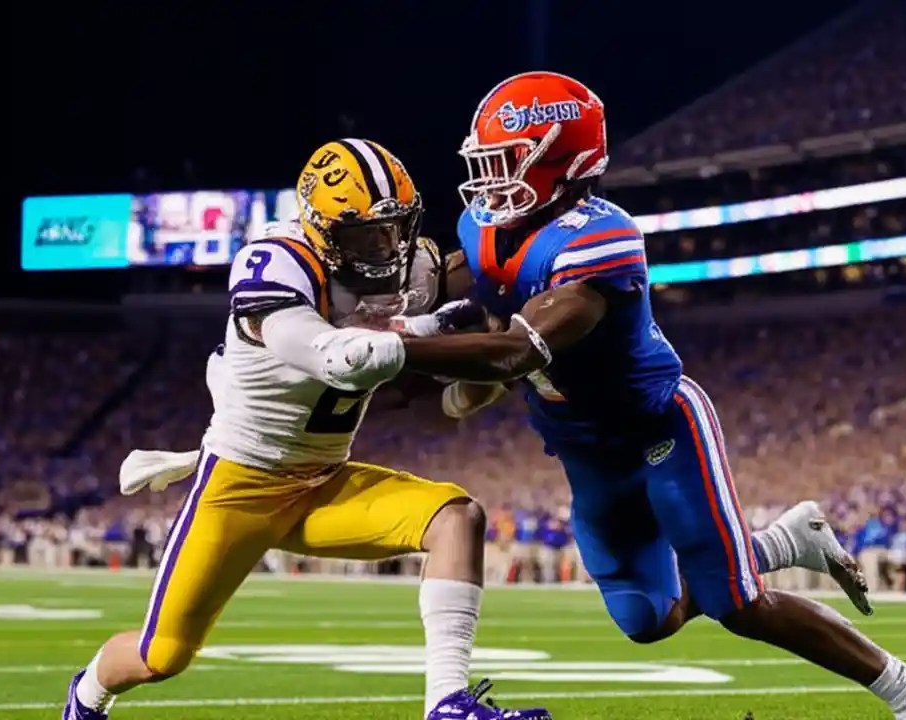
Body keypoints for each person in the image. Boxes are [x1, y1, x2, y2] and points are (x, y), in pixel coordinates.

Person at [323, 71, 906, 719]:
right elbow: (473, 290)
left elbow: (520, 345)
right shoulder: (485, 224)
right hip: (582, 449)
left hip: (660, 430)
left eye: (507, 161)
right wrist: (385, 306)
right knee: (648, 620)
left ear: (565, 163)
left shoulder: (603, 238)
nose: (489, 180)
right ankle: (784, 542)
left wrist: (401, 346)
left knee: (736, 602)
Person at [62, 139, 548, 720]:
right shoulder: (277, 263)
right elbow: (337, 359)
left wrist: (488, 330)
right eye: (366, 233)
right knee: (162, 654)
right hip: (240, 487)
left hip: (321, 481)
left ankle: (447, 703)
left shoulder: (410, 267)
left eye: (394, 228)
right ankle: (88, 695)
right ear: (321, 229)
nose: (386, 247)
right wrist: (440, 331)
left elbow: (445, 341)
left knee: (456, 517)